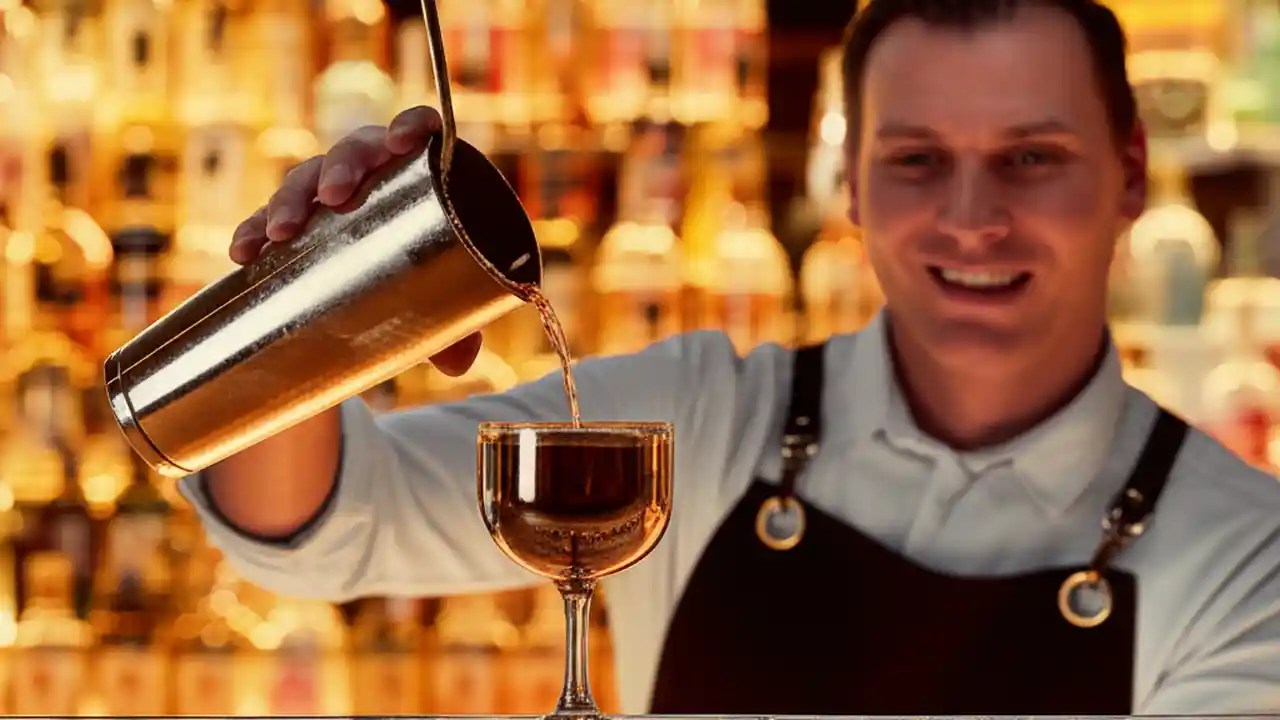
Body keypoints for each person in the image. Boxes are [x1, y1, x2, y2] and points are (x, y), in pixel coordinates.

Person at [184, 0, 1280, 715]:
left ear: (1128, 173)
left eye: (1029, 157)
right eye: (914, 160)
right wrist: (311, 298)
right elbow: (325, 525)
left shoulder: (1244, 555)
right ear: (847, 186)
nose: (969, 218)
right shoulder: (700, 416)